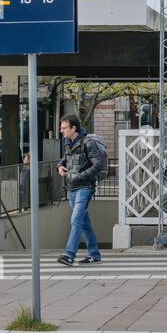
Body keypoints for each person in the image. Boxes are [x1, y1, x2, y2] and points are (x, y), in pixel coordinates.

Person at [55, 114, 108, 266]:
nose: (61, 130)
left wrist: (80, 176)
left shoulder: (88, 143)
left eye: (64, 127)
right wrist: (59, 166)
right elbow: (65, 159)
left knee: (76, 220)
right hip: (72, 188)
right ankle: (94, 254)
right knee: (84, 223)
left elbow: (98, 165)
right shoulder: (68, 143)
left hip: (84, 187)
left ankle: (69, 255)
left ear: (74, 128)